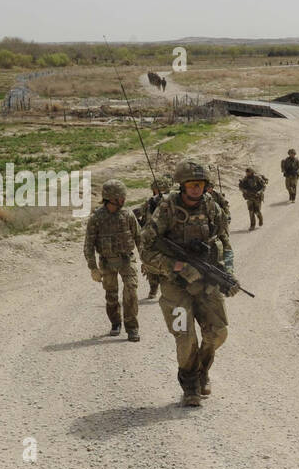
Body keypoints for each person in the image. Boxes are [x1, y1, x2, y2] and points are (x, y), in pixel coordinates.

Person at [138, 160, 238, 407]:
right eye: (192, 184)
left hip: (206, 281)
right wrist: (176, 266)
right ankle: (190, 382)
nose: (197, 189)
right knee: (185, 337)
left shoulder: (212, 207)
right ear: (183, 186)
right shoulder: (167, 209)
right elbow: (145, 249)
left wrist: (229, 273)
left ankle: (202, 369)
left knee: (218, 332)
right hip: (175, 285)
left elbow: (225, 243)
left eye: (201, 184)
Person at [83, 178, 140, 341]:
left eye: (123, 197)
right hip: (107, 262)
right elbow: (89, 244)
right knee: (111, 295)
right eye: (120, 198)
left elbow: (139, 237)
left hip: (127, 260)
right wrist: (93, 267)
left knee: (131, 292)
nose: (123, 200)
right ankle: (116, 323)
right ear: (110, 198)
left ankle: (132, 328)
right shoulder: (96, 218)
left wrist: (147, 262)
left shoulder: (128, 214)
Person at [134, 175, 172, 298]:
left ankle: (170, 290)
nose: (157, 193)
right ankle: (153, 287)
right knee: (150, 264)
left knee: (168, 264)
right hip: (150, 239)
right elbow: (137, 213)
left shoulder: (173, 202)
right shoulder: (150, 203)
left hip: (168, 238)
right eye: (155, 191)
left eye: (160, 191)